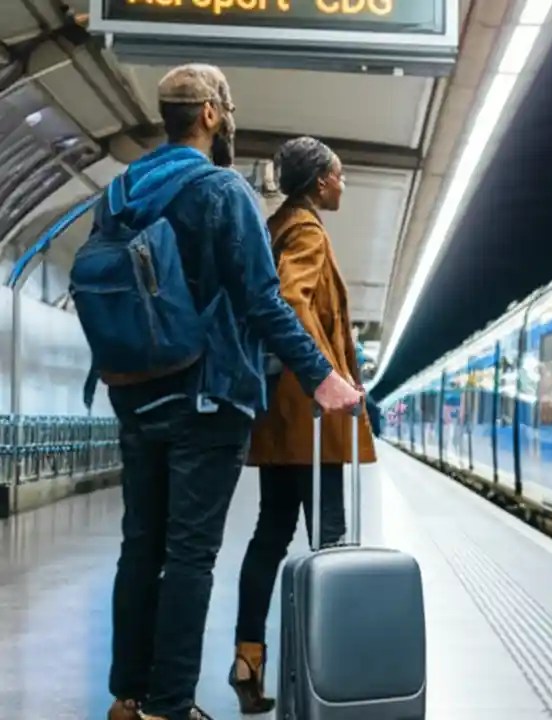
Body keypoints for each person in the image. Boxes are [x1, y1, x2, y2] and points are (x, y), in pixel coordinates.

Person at [101, 66, 363, 720]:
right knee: (190, 554)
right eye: (229, 107)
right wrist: (321, 375)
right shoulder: (224, 190)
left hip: (134, 393)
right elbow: (266, 302)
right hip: (207, 397)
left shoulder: (120, 188)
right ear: (212, 115)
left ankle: (128, 698)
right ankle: (170, 705)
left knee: (141, 547)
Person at [230, 137, 377, 713]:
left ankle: (251, 657)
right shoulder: (309, 232)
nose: (343, 184)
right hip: (312, 418)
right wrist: (327, 377)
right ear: (319, 182)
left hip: (282, 415)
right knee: (331, 541)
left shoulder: (278, 226)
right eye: (339, 176)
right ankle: (330, 672)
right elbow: (291, 301)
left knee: (271, 533)